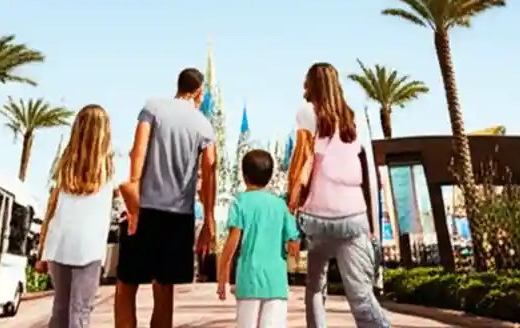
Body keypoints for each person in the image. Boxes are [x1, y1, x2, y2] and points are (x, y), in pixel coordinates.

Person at [288, 62, 390, 328]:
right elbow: (368, 173)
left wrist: (291, 205)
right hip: (354, 217)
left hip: (317, 217)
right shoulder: (353, 120)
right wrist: (372, 227)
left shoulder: (307, 112)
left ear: (312, 85)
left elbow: (300, 162)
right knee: (361, 296)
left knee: (315, 288)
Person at [115, 67, 218, 328]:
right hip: (178, 217)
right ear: (198, 92)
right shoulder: (203, 125)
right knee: (164, 291)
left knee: (126, 287)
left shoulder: (154, 107)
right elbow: (210, 168)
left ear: (178, 86)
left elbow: (137, 150)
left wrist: (135, 187)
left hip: (144, 210)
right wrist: (208, 220)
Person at [34, 104, 117, 328]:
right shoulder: (111, 169)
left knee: (60, 310)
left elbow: (51, 210)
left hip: (58, 247)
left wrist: (42, 251)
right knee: (79, 312)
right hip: (88, 251)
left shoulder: (64, 167)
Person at [217, 149, 300, 328]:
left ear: (244, 175)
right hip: (277, 284)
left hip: (249, 282)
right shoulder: (280, 205)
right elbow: (293, 242)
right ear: (270, 176)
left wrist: (222, 271)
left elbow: (233, 241)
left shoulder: (241, 202)